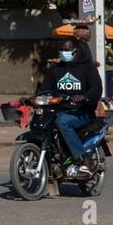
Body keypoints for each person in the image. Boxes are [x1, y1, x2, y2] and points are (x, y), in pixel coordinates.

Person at [39, 35, 102, 176]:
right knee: (42, 121)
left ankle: (84, 158)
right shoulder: (55, 69)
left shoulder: (88, 68)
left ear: (75, 50)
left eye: (67, 50)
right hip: (57, 110)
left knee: (62, 121)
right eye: (61, 50)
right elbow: (44, 88)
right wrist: (35, 98)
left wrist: (84, 97)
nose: (63, 53)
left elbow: (96, 89)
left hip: (82, 112)